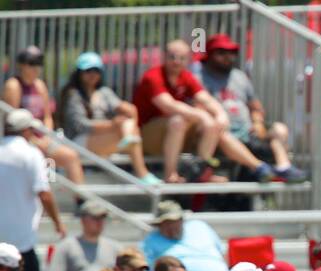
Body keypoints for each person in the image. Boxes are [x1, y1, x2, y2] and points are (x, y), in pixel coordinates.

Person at [134, 39, 275, 184]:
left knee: (207, 122)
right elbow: (168, 105)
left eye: (181, 58)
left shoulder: (187, 76)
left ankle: (203, 171)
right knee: (179, 120)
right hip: (146, 136)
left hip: (184, 136)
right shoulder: (153, 76)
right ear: (164, 57)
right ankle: (171, 175)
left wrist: (220, 115)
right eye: (172, 57)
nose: (176, 61)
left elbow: (206, 99)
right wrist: (203, 116)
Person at [196, 34, 305, 182]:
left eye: (232, 53)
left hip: (248, 133)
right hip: (220, 135)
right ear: (209, 54)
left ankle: (283, 167)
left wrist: (258, 123)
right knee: (221, 133)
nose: (228, 57)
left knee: (279, 129)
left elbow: (255, 107)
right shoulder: (199, 76)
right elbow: (197, 107)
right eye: (221, 53)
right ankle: (259, 168)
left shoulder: (239, 76)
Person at [55, 51, 155, 183]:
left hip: (101, 138)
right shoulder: (73, 95)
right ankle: (142, 174)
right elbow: (80, 126)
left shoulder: (104, 92)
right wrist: (112, 125)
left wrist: (128, 112)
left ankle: (141, 171)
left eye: (96, 70)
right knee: (131, 133)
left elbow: (125, 110)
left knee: (129, 126)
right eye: (88, 70)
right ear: (79, 73)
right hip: (78, 142)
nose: (92, 74)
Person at [3, 47, 83, 184]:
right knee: (40, 172)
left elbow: (47, 116)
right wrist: (34, 140)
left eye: (39, 63)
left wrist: (47, 136)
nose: (36, 68)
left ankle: (84, 201)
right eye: (31, 63)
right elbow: (13, 121)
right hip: (21, 141)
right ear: (21, 65)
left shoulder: (40, 85)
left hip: (42, 139)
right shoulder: (14, 85)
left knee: (71, 156)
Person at [0, 112, 62, 271]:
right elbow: (44, 193)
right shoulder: (31, 154)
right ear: (26, 130)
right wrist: (58, 222)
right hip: (21, 241)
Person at [45, 201, 122, 271]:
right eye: (95, 218)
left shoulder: (115, 247)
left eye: (102, 218)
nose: (100, 222)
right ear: (83, 220)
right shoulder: (66, 246)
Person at [141, 201, 229, 271]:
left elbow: (223, 253)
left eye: (172, 221)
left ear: (181, 219)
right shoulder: (151, 240)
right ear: (159, 225)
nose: (169, 227)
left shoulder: (200, 226)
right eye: (164, 223)